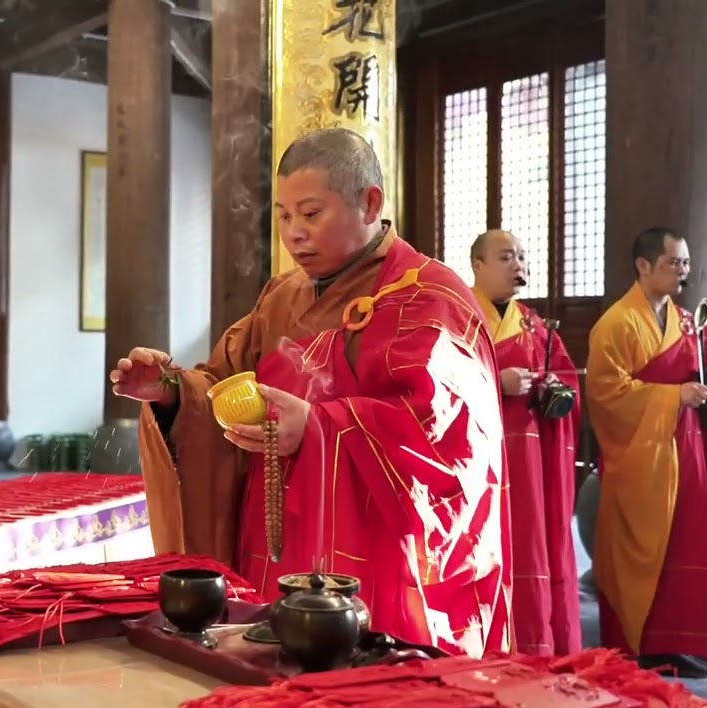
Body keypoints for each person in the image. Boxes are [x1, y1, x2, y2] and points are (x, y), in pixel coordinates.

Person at [108, 128, 511, 657]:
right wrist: (169, 391)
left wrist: (321, 426)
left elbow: (451, 446)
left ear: (370, 203)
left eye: (311, 214)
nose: (294, 234)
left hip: (379, 563)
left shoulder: (431, 299)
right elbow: (222, 383)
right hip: (274, 539)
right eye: (283, 216)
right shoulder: (283, 296)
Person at [585, 227, 707, 678]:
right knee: (640, 552)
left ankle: (675, 643)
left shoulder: (685, 322)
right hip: (641, 457)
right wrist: (671, 397)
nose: (683, 271)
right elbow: (606, 394)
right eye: (673, 263)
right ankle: (636, 645)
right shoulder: (616, 324)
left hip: (686, 453)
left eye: (685, 262)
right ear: (643, 266)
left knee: (684, 548)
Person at [470, 229, 581, 657]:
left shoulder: (535, 326)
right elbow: (437, 384)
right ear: (477, 266)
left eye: (522, 255)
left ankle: (536, 644)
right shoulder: (457, 317)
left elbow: (569, 382)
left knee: (532, 544)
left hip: (529, 464)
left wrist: (555, 387)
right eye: (505, 257)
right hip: (478, 463)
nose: (518, 264)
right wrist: (495, 382)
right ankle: (486, 647)